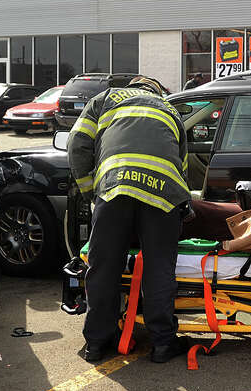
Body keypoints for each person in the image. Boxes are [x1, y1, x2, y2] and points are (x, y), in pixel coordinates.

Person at [68, 75, 192, 364]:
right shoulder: (169, 109)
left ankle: (97, 343)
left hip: (115, 185)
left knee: (103, 266)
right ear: (157, 91)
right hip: (163, 191)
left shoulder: (107, 98)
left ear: (132, 87)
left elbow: (77, 143)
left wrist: (91, 190)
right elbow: (183, 167)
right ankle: (162, 343)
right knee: (159, 266)